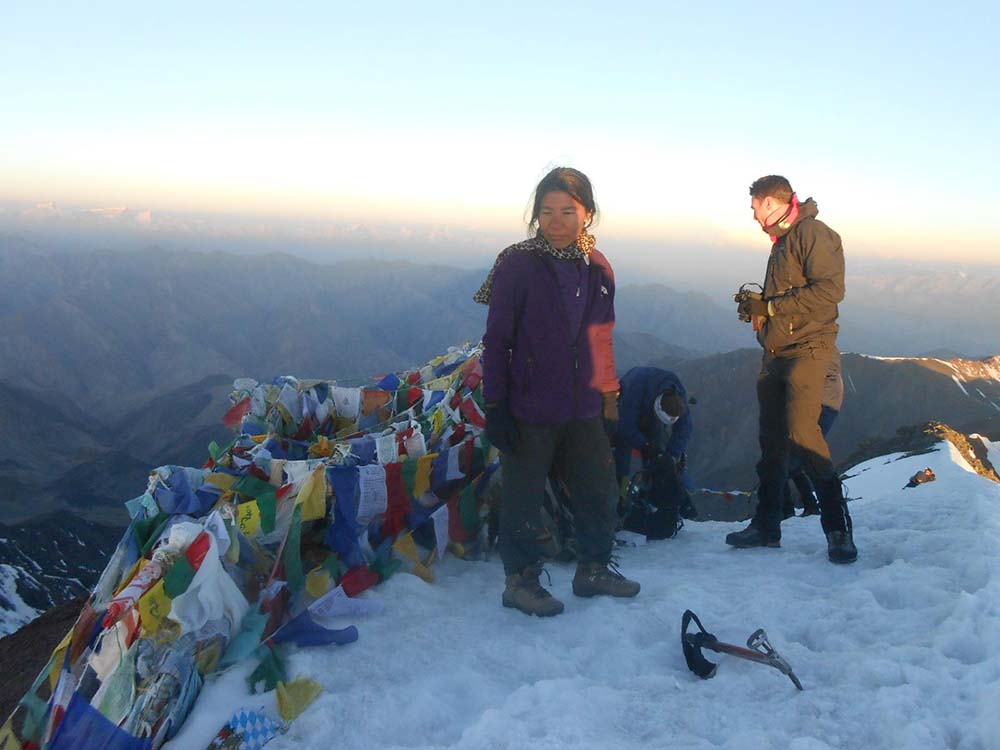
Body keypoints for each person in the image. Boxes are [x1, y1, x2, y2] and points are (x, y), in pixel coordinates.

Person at [474, 167, 640, 616]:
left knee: (598, 490)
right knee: (524, 496)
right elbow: (497, 340)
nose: (557, 220)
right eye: (547, 211)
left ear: (588, 213)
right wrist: (497, 406)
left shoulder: (599, 266)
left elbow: (602, 337)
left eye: (568, 211)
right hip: (531, 404)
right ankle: (521, 582)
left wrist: (609, 397)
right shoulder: (518, 263)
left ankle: (593, 569)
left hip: (584, 403)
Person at [726, 175, 858, 564]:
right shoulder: (784, 240)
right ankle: (766, 525)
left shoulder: (813, 233)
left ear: (771, 203)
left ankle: (838, 529)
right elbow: (792, 296)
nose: (752, 215)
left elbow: (829, 292)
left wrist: (770, 307)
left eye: (754, 207)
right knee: (771, 441)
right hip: (778, 351)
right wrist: (762, 309)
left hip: (809, 350)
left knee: (804, 434)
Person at [614, 367, 696, 538]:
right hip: (627, 405)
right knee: (622, 452)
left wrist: (670, 455)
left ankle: (653, 500)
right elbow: (626, 427)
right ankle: (619, 500)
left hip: (649, 409)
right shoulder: (636, 387)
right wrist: (646, 446)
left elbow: (684, 429)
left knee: (659, 461)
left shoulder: (678, 394)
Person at [782, 356, 842, 517]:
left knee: (787, 462)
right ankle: (809, 506)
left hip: (821, 406)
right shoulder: (823, 351)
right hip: (825, 403)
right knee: (797, 456)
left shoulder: (812, 353)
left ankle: (786, 510)